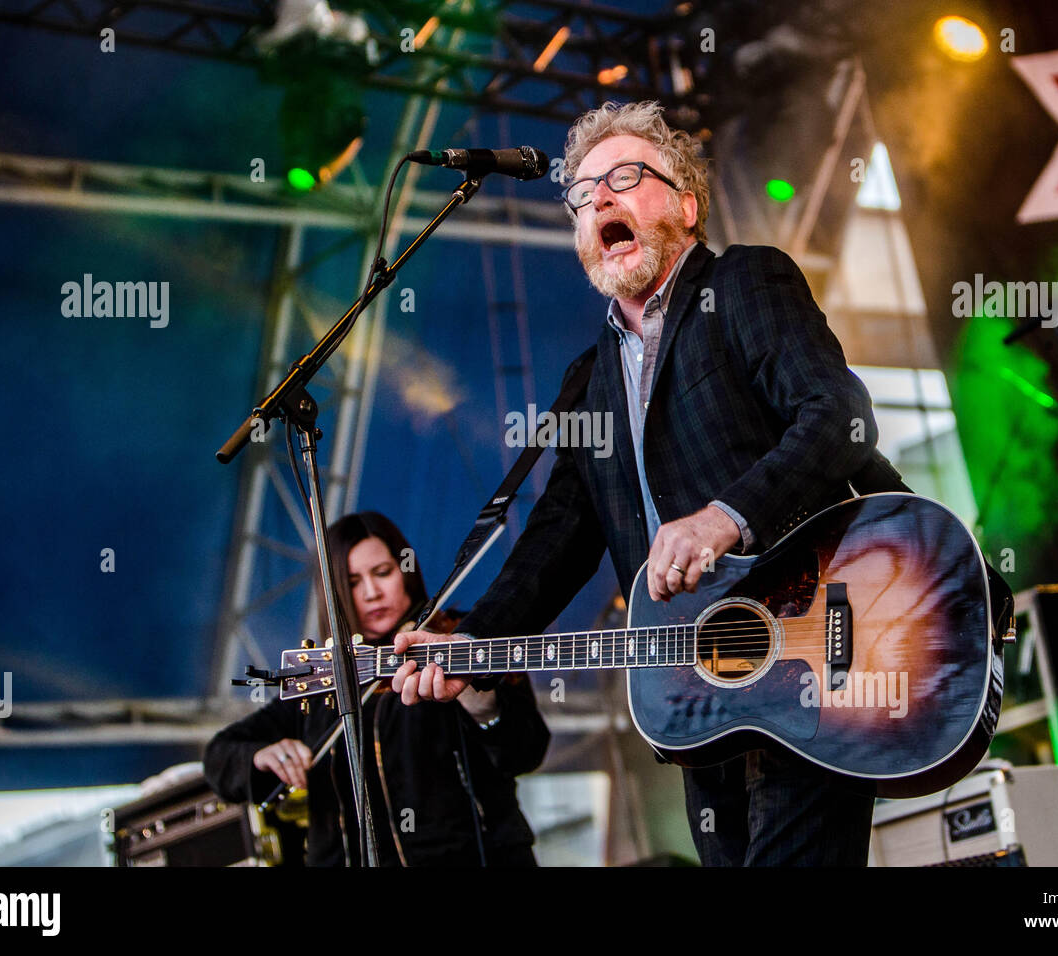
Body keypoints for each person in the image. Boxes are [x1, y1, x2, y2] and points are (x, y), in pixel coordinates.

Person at [390, 101, 882, 866]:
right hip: (702, 698)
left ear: (686, 205)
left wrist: (725, 518)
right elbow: (558, 535)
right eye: (584, 197)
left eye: (625, 178)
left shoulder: (744, 282)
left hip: (820, 648)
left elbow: (840, 414)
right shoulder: (589, 381)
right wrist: (471, 644)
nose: (602, 201)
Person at [203, 511, 550, 866]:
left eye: (382, 573)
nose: (371, 593)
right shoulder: (323, 678)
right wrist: (262, 756)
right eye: (352, 581)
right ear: (334, 591)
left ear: (406, 573)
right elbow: (218, 757)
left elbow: (525, 751)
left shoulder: (457, 640)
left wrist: (479, 698)